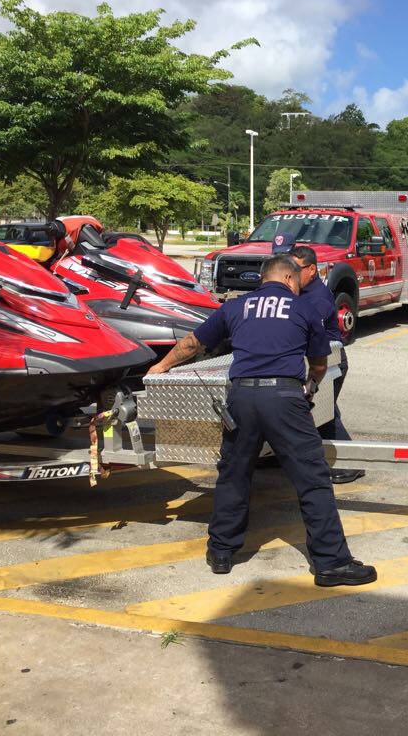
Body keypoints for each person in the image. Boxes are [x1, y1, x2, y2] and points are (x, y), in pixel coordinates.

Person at [147, 254, 377, 587]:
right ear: (288, 279)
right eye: (297, 282)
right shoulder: (303, 309)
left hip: (240, 398)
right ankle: (332, 564)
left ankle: (221, 552)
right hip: (284, 398)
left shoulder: (236, 307)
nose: (299, 288)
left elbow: (192, 343)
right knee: (312, 479)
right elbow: (319, 363)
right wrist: (310, 388)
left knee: (234, 473)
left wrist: (161, 367)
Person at [272, 235, 366, 484]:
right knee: (320, 412)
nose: (289, 275)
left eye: (295, 270)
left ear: (311, 270)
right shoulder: (302, 292)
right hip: (315, 361)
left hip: (329, 362)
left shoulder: (316, 299)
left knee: (325, 414)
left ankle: (348, 462)